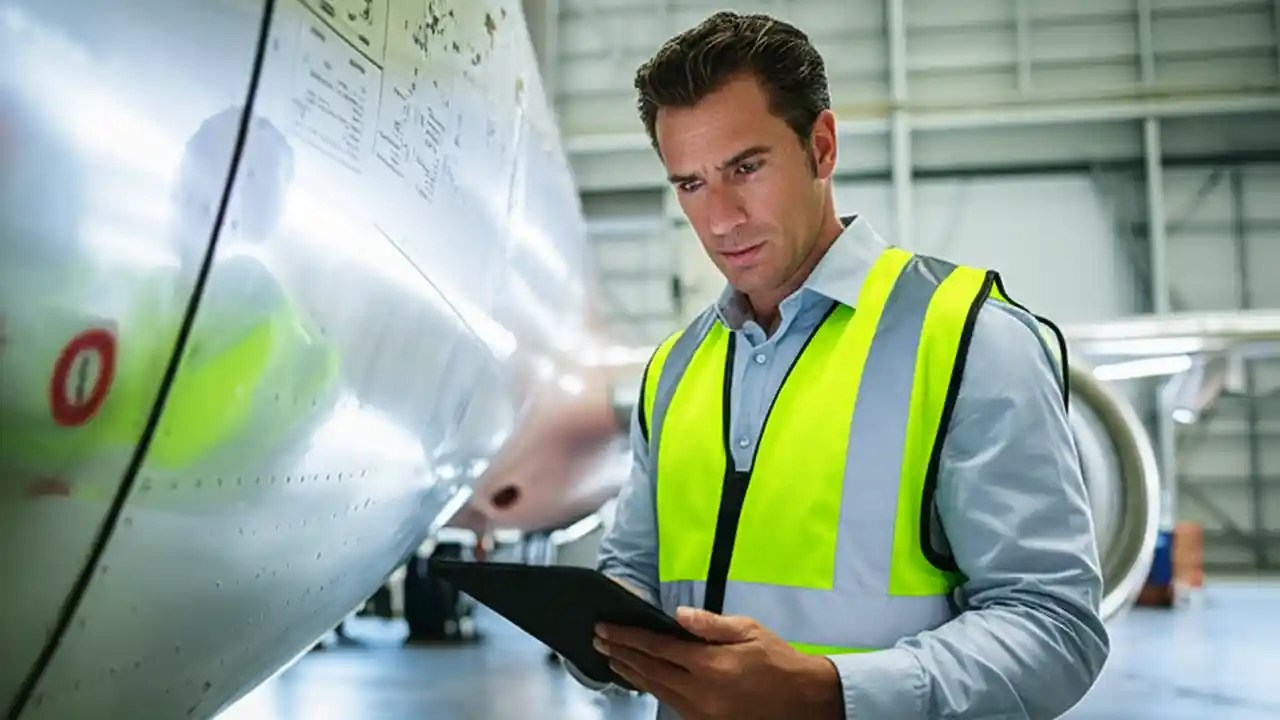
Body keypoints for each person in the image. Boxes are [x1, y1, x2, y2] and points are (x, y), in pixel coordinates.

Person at [572, 10, 1110, 719]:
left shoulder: (969, 338)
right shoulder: (676, 368)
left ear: (821, 147)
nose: (721, 218)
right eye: (690, 184)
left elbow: (1056, 627)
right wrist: (608, 636)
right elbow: (633, 570)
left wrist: (829, 692)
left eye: (746, 168)